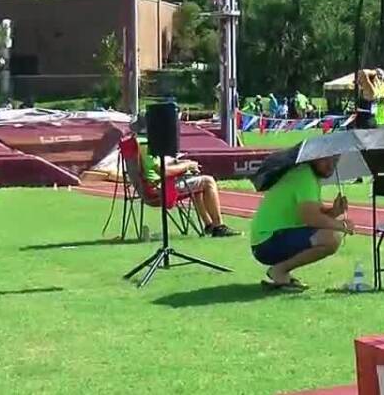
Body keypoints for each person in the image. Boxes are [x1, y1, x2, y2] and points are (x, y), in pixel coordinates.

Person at [250, 156, 352, 290]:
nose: (330, 165)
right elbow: (311, 219)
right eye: (326, 160)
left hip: (266, 240)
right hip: (266, 242)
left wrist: (334, 212)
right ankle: (279, 271)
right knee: (331, 238)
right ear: (313, 158)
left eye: (335, 160)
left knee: (329, 234)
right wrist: (341, 226)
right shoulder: (304, 177)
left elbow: (311, 216)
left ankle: (281, 271)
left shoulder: (307, 175)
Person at [133, 118, 240, 238]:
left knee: (197, 181)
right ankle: (219, 226)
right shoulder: (146, 145)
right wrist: (186, 165)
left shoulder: (137, 142)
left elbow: (156, 166)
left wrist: (178, 163)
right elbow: (164, 172)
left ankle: (209, 225)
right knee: (208, 181)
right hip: (159, 189)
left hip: (149, 186)